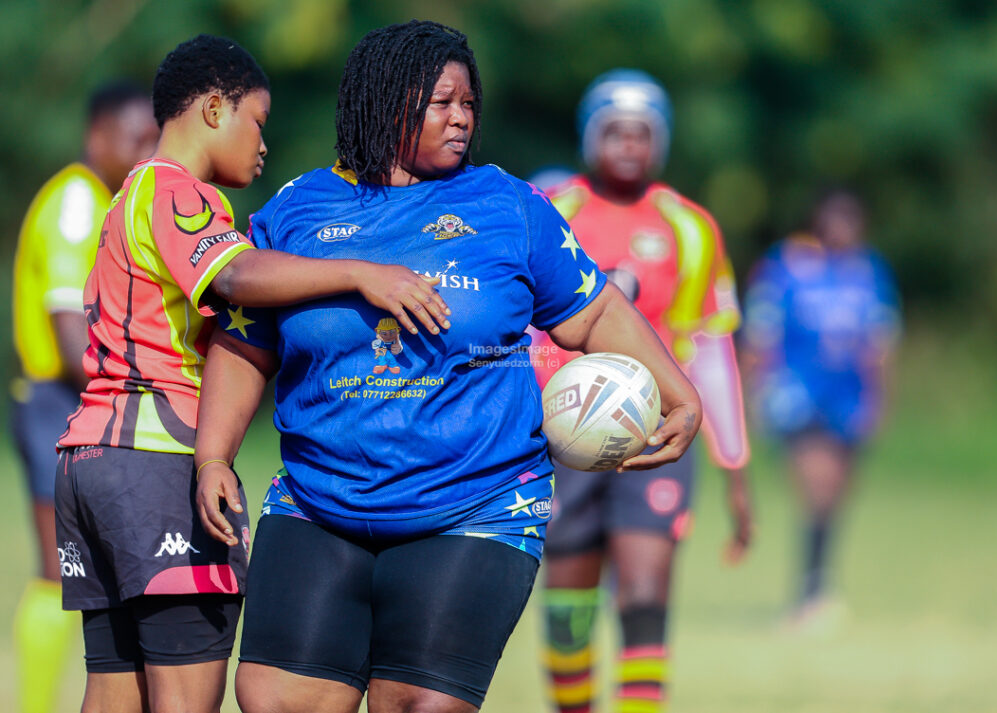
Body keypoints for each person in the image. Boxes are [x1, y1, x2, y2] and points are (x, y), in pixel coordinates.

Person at [192, 20, 703, 713]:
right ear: (386, 102)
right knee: (276, 700)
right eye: (442, 103)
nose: (462, 117)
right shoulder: (298, 209)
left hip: (475, 506)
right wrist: (214, 456)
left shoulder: (510, 206)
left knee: (418, 705)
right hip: (318, 503)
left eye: (469, 104)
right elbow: (245, 341)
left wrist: (681, 396)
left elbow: (594, 311)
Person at [53, 34, 450, 713]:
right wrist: (363, 273)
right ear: (214, 109)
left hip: (90, 456)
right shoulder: (179, 193)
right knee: (186, 696)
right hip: (158, 456)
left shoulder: (126, 195)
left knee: (114, 693)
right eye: (258, 123)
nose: (263, 146)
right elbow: (236, 275)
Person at [530, 69, 753, 713]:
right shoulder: (551, 212)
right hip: (564, 437)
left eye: (643, 132)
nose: (629, 144)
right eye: (615, 131)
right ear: (589, 137)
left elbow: (709, 349)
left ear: (661, 141)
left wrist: (734, 465)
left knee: (646, 596)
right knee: (568, 610)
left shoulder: (690, 227)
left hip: (658, 436)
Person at [9, 80, 159, 713]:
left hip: (77, 402)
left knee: (96, 574)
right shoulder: (76, 202)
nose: (148, 152)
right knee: (59, 570)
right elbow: (75, 343)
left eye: (155, 139)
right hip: (57, 401)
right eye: (137, 138)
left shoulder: (106, 201)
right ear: (98, 135)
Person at [743, 188, 900, 626]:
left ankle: (818, 582)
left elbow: (881, 342)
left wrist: (881, 398)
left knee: (835, 495)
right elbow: (760, 332)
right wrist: (751, 391)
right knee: (818, 484)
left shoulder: (871, 272)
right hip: (796, 392)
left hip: (848, 396)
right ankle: (810, 593)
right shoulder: (787, 265)